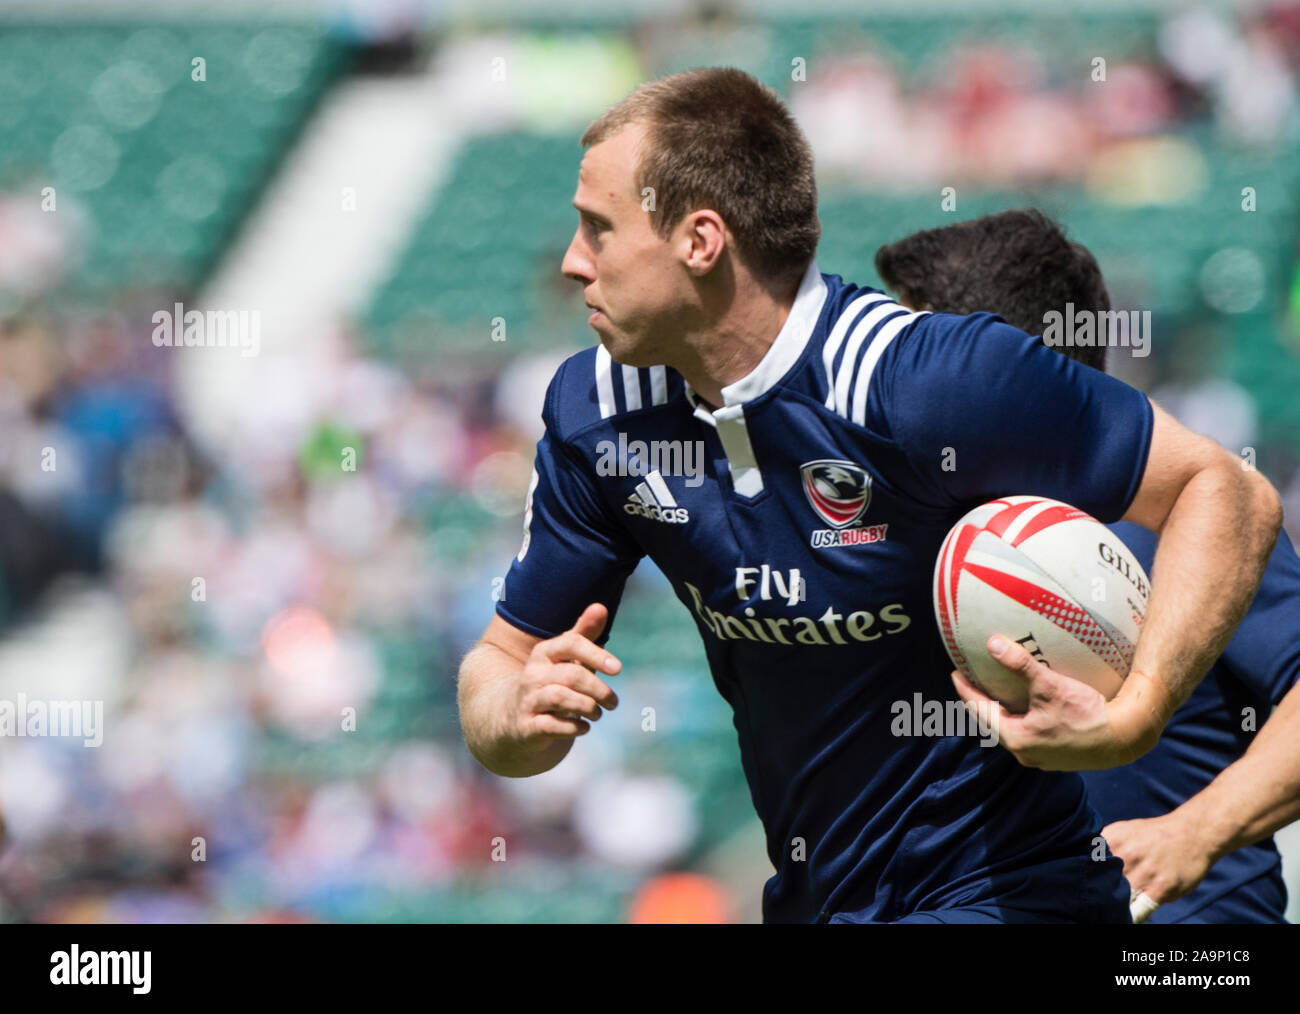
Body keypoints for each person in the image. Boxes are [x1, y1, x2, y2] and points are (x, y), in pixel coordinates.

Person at [457, 68, 1283, 923]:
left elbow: (1226, 490)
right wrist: (512, 717)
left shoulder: (931, 383)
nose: (570, 260)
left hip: (1009, 896)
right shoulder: (599, 415)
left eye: (598, 228)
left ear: (700, 241)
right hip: (817, 897)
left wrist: (1137, 713)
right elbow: (499, 667)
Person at [875, 207, 1300, 922]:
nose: (886, 382)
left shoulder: (1190, 518)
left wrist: (1194, 833)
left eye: (908, 351)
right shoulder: (912, 542)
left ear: (984, 364)